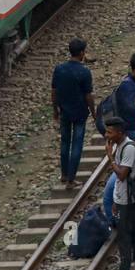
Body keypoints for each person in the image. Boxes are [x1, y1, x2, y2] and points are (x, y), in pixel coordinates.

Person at [104, 117, 135, 270]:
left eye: (110, 132)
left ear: (120, 132)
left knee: (125, 237)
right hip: (123, 198)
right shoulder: (121, 145)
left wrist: (110, 157)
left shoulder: (128, 148)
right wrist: (115, 200)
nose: (107, 135)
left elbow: (122, 175)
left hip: (129, 200)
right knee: (134, 233)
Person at [51, 40, 95, 188]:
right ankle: (71, 179)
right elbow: (88, 95)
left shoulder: (59, 69)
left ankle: (64, 175)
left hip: (64, 111)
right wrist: (94, 113)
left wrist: (55, 110)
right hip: (80, 113)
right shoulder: (84, 71)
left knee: (64, 143)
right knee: (76, 144)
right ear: (82, 53)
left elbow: (54, 91)